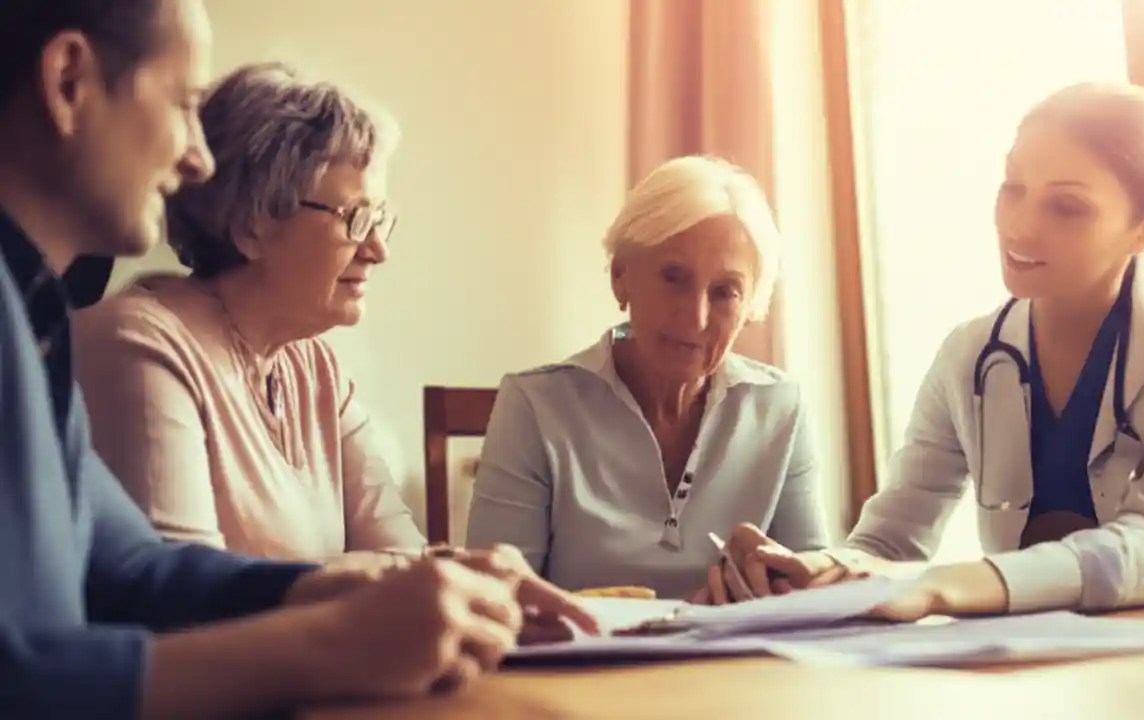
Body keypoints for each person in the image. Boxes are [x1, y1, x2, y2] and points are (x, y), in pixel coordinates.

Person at [0, 2, 594, 717]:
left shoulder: (34, 316)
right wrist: (332, 641)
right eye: (185, 104)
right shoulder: (113, 332)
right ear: (69, 81)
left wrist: (364, 591)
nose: (196, 160)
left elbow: (135, 570)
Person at [703, 83, 1144, 615]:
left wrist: (938, 586)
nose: (1020, 227)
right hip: (1037, 677)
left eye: (1067, 206)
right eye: (1013, 188)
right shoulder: (971, 353)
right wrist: (815, 571)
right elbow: (888, 542)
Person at [74, 61, 425, 561]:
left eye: (379, 219)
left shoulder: (313, 366)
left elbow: (403, 555)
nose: (377, 249)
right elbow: (185, 599)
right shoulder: (141, 344)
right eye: (355, 217)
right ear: (252, 223)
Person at [467, 155, 829, 599]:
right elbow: (489, 601)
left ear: (751, 304)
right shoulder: (534, 406)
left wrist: (782, 584)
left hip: (736, 664)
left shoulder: (781, 407)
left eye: (725, 292)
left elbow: (814, 599)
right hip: (581, 667)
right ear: (621, 276)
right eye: (674, 278)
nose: (695, 318)